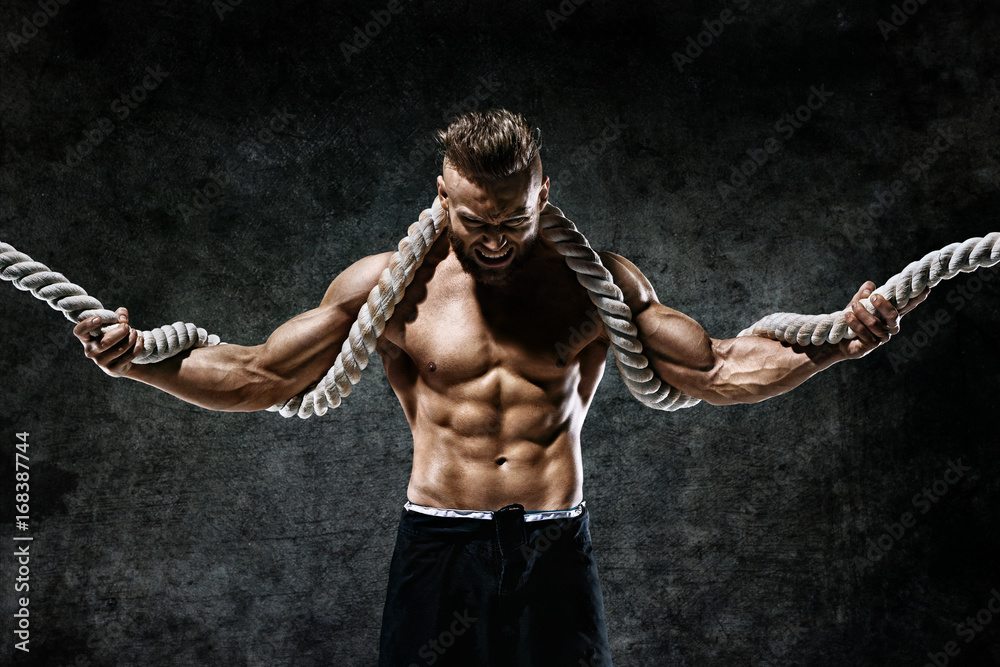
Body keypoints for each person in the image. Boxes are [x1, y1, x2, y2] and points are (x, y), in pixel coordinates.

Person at [74, 108, 930, 666]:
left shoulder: (593, 284)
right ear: (440, 194)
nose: (491, 241)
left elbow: (716, 368)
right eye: (472, 220)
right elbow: (260, 374)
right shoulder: (392, 289)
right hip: (436, 546)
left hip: (553, 546)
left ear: (544, 193)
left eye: (510, 221)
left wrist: (835, 345)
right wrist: (139, 360)